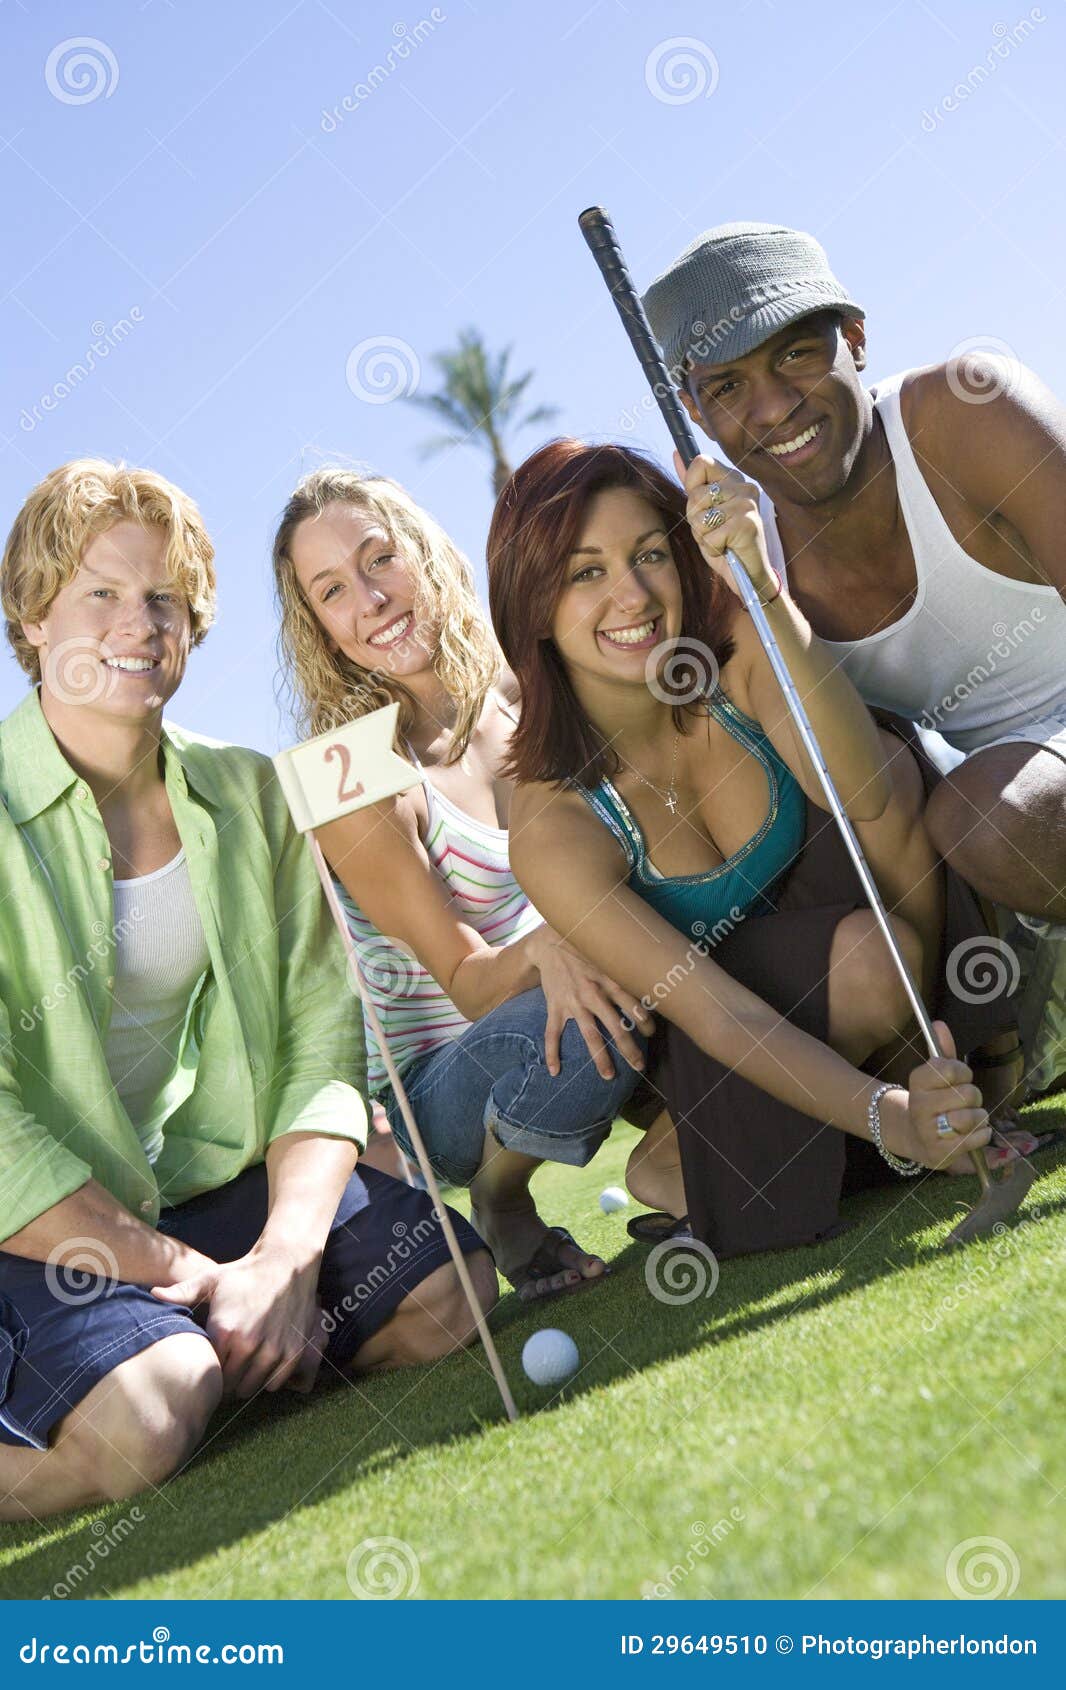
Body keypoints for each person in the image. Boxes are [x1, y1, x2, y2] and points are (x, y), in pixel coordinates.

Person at [0, 460, 495, 1524]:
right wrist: (187, 1270)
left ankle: (210, 1353)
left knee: (449, 1293)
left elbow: (319, 1035)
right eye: (101, 593)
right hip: (31, 1221)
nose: (139, 625)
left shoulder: (248, 791)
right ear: (33, 617)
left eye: (164, 599)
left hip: (197, 1179)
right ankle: (180, 1363)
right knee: (144, 1421)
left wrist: (283, 1256)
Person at [487, 437, 1013, 1258]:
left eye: (650, 554)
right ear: (533, 606)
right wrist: (897, 1120)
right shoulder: (553, 824)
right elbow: (718, 1015)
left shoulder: (732, 644)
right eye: (585, 573)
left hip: (868, 937)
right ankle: (688, 1156)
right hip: (720, 1033)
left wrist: (765, 590)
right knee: (870, 963)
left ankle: (938, 1063)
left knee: (883, 754)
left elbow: (871, 798)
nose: (632, 596)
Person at [641, 220, 1066, 1097]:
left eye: (796, 355)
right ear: (695, 412)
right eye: (727, 386)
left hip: (1014, 799)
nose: (772, 409)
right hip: (1008, 802)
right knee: (964, 820)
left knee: (984, 817)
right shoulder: (747, 567)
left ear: (856, 339)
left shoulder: (964, 413)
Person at [271, 466, 651, 1302]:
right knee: (601, 993)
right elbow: (466, 978)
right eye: (333, 591)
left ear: (425, 551)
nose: (371, 600)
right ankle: (500, 1193)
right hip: (434, 1091)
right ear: (320, 629)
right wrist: (552, 947)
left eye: (380, 559)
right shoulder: (345, 772)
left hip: (564, 988)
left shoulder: (527, 689)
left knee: (653, 952)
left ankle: (685, 1153)